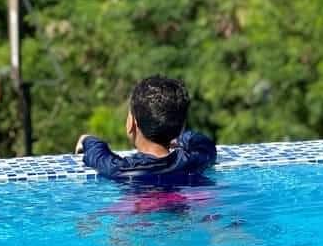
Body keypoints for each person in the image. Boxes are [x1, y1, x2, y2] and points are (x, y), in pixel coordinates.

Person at [75, 75, 217, 182]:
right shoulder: (195, 160)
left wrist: (87, 140)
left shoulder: (123, 169)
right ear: (181, 127)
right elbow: (201, 141)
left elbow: (98, 155)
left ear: (132, 124)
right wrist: (180, 139)